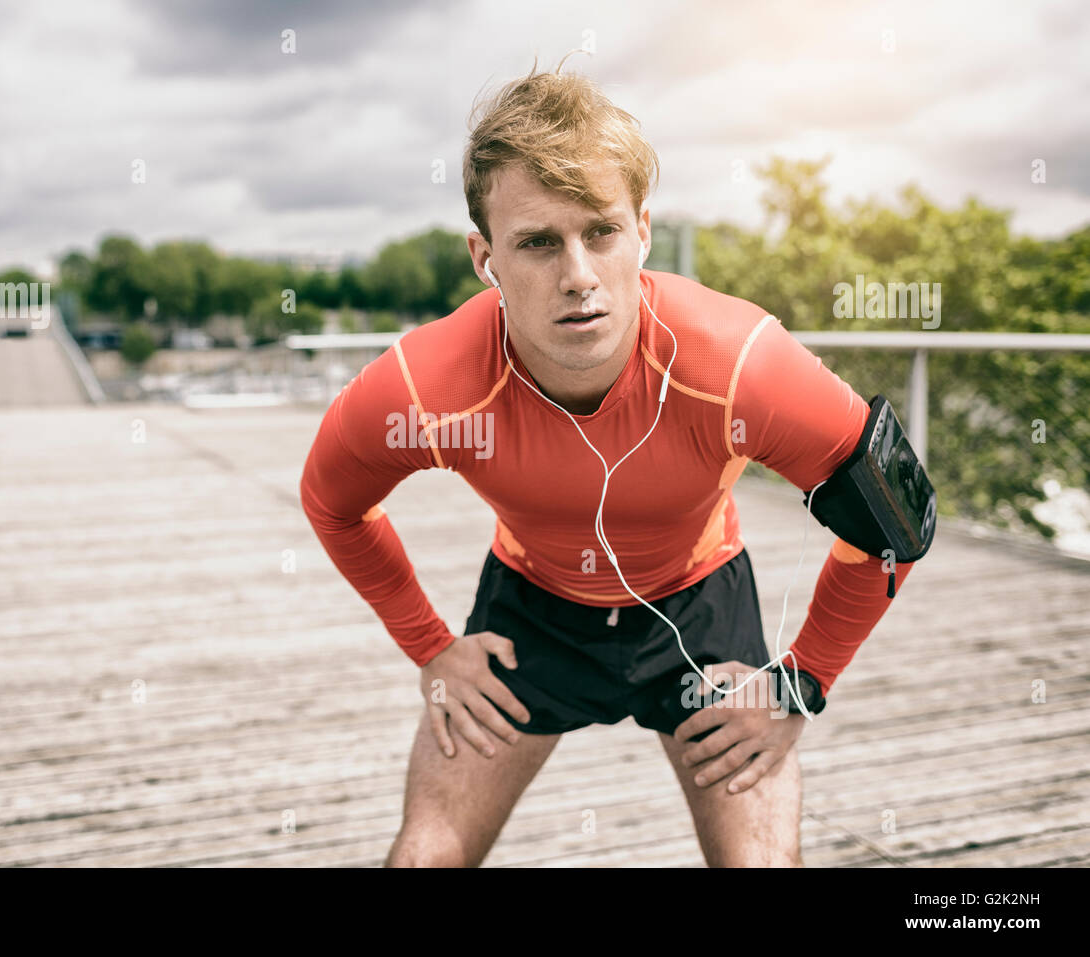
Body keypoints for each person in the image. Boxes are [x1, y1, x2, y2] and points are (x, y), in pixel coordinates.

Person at [299, 61, 920, 867]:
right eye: (537, 243)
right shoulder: (427, 386)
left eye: (600, 231)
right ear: (484, 257)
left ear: (644, 232)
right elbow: (331, 502)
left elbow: (896, 517)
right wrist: (429, 645)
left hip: (699, 611)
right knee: (425, 856)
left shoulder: (738, 366)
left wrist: (801, 680)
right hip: (533, 619)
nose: (579, 276)